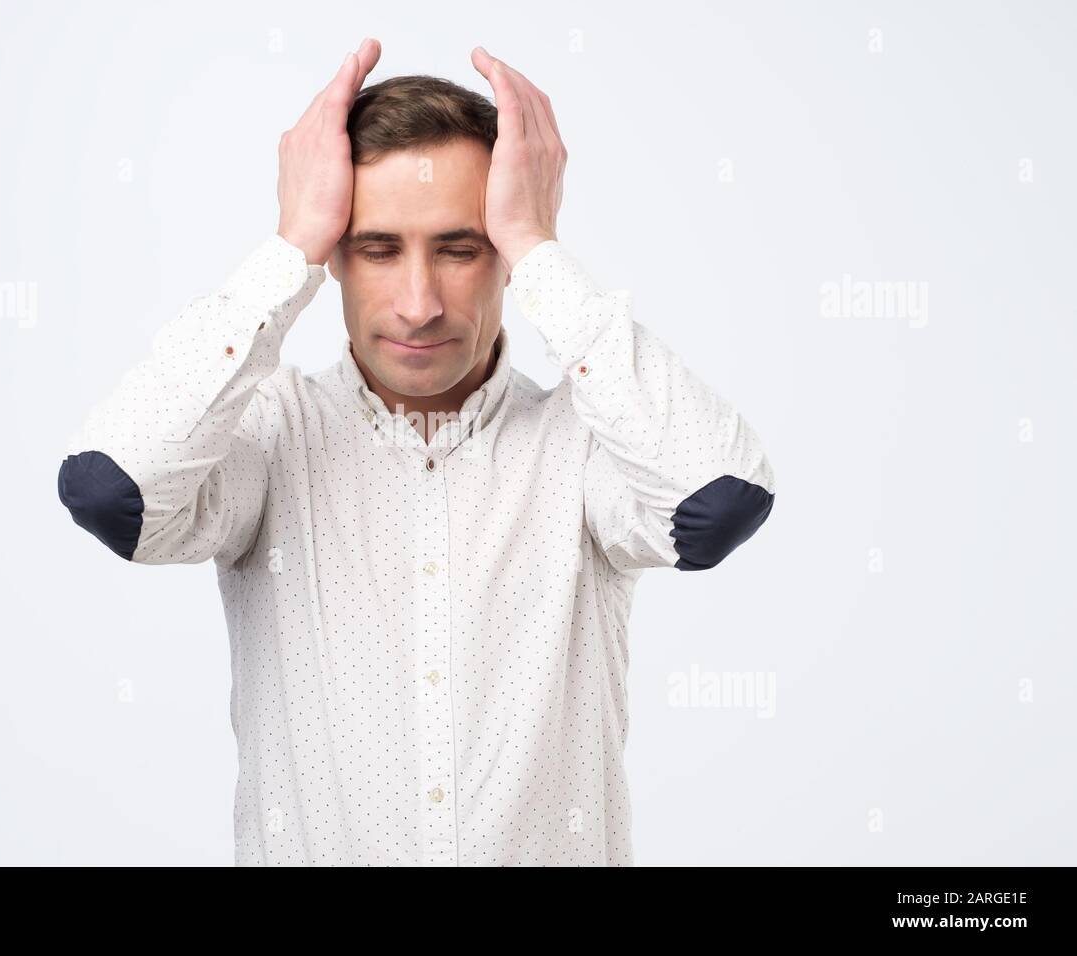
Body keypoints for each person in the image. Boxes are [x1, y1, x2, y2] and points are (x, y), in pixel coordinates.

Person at [57, 37, 776, 865]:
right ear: (335, 257)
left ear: (504, 257)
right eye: (377, 247)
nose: (419, 303)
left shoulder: (587, 448)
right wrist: (288, 247)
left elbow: (721, 500)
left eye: (462, 248)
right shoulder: (268, 434)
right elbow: (110, 490)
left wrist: (538, 247)